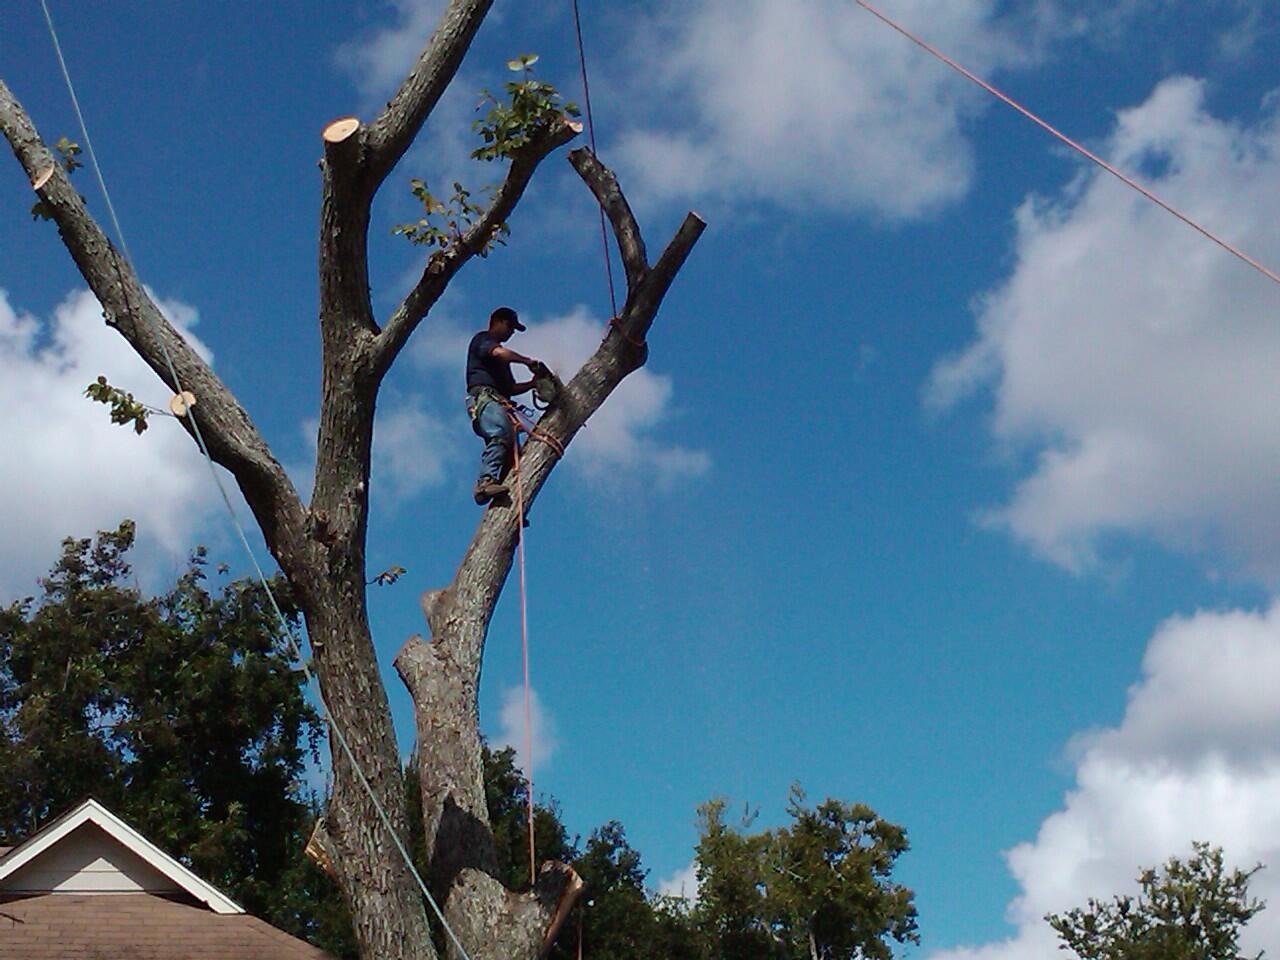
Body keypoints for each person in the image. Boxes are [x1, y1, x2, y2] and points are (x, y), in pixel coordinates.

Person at [465, 306, 546, 505]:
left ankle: (506, 500)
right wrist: (527, 361)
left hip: (499, 400)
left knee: (513, 456)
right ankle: (485, 482)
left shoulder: (501, 360)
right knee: (500, 433)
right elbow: (499, 353)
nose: (511, 332)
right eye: (510, 327)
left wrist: (533, 383)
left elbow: (510, 387)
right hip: (485, 398)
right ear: (498, 322)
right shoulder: (484, 340)